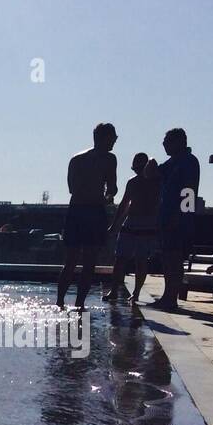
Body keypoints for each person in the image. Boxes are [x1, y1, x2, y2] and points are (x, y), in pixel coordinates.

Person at [57, 123, 118, 309]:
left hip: (76, 210)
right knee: (89, 261)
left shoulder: (76, 159)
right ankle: (79, 303)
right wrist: (107, 197)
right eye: (113, 138)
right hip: (93, 211)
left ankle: (60, 301)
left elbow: (72, 189)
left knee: (71, 260)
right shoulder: (109, 159)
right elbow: (112, 187)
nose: (115, 141)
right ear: (104, 138)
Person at [154, 128, 201, 312]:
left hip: (178, 219)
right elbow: (152, 173)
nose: (164, 145)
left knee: (174, 258)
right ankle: (168, 295)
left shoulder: (188, 162)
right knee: (167, 258)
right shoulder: (171, 163)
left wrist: (182, 216)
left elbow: (189, 190)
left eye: (167, 141)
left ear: (179, 142)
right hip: (167, 217)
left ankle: (171, 297)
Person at [104, 154, 160, 304]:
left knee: (140, 260)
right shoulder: (133, 182)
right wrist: (114, 225)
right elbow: (124, 204)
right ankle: (114, 290)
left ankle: (136, 293)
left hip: (147, 223)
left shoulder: (156, 182)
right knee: (120, 258)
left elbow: (125, 204)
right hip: (131, 222)